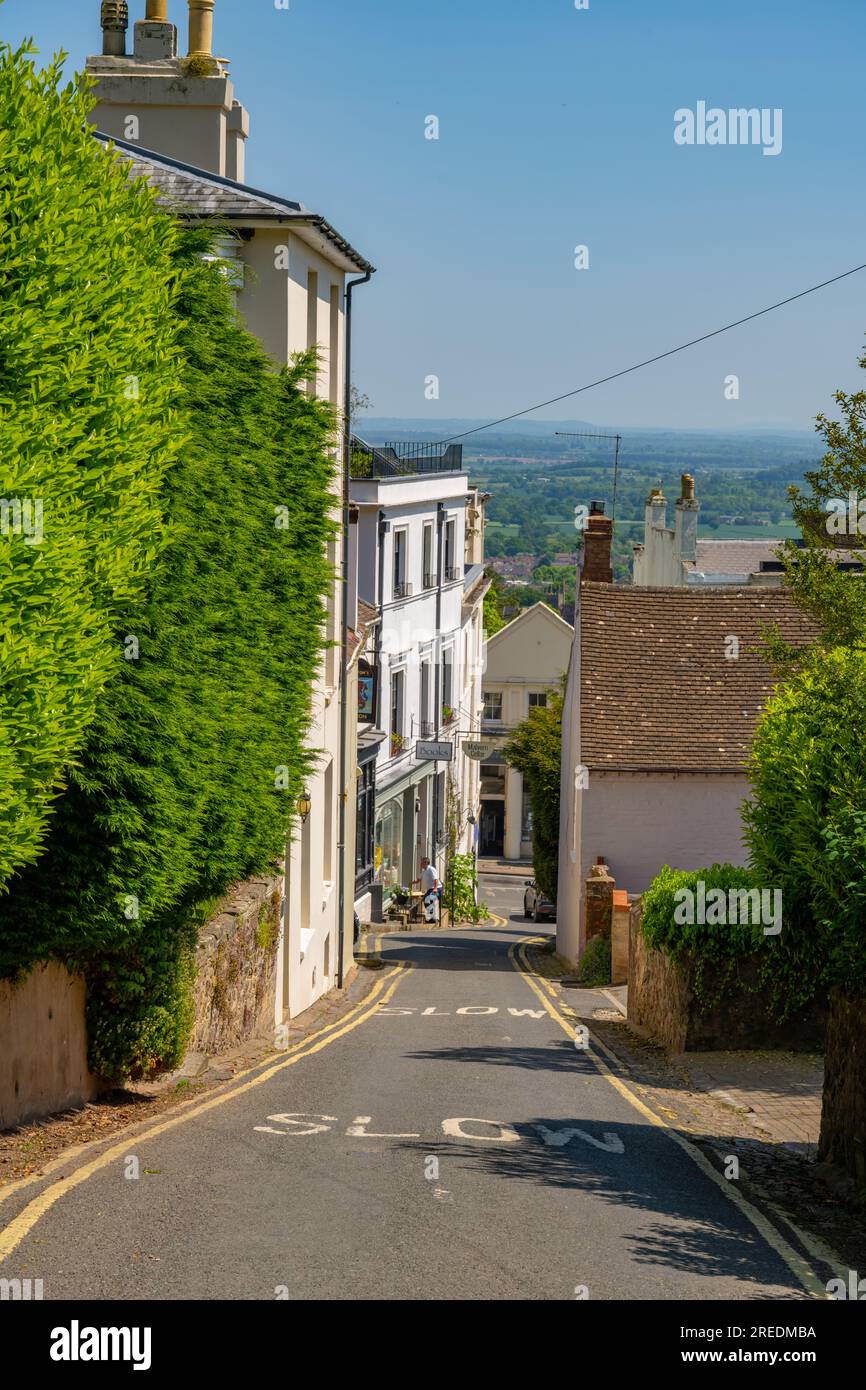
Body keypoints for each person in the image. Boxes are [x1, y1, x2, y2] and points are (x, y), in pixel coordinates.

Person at [418, 856, 440, 924]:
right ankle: (432, 918)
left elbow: (436, 879)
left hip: (437, 888)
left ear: (425, 863)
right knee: (427, 901)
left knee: (428, 900)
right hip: (431, 889)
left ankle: (434, 918)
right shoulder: (424, 871)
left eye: (421, 862)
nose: (420, 864)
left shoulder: (431, 869)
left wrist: (435, 888)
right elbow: (418, 880)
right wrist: (410, 883)